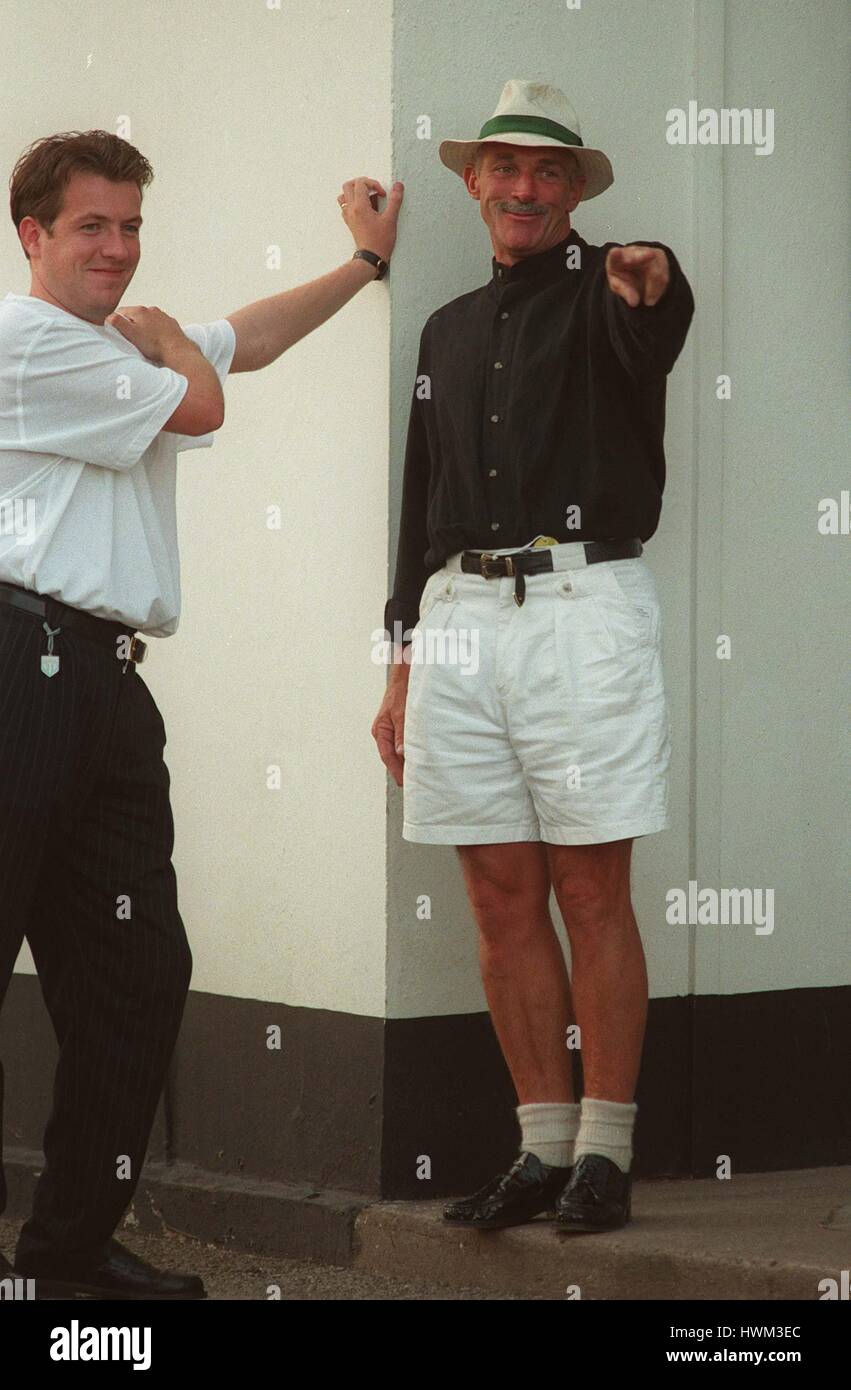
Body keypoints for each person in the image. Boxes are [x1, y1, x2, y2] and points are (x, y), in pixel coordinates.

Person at [0, 128, 402, 1298]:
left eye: (132, 225)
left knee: (138, 972)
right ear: (32, 236)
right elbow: (203, 402)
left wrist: (361, 267)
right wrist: (176, 344)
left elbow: (247, 341)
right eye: (92, 226)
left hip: (106, 691)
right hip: (21, 668)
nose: (119, 248)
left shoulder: (116, 348)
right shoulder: (29, 343)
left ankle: (66, 1258)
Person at [373, 80, 694, 1233]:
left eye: (546, 173)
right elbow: (420, 507)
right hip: (458, 616)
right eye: (503, 169)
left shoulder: (610, 288)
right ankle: (539, 1149)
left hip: (582, 605)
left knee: (586, 885)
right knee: (497, 892)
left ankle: (605, 1153)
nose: (521, 188)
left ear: (572, 193)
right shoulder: (446, 329)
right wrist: (401, 661)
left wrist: (648, 281)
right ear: (473, 184)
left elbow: (652, 312)